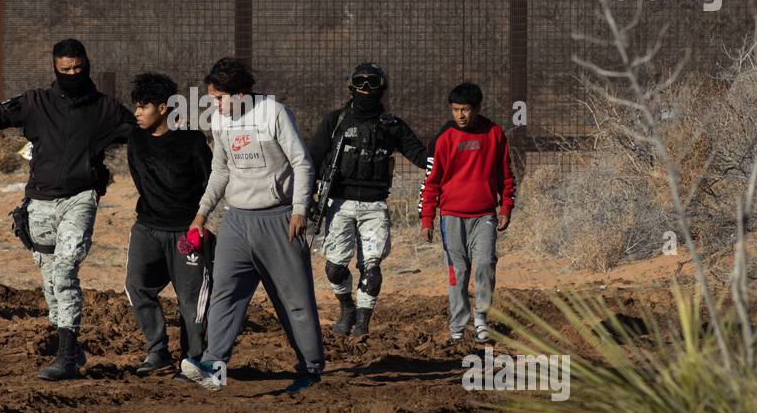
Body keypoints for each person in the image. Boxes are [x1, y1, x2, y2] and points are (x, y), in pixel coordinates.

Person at [0, 39, 133, 380]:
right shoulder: (36, 102)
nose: (73, 74)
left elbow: (145, 134)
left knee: (65, 272)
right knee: (50, 279)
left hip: (80, 198)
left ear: (87, 64)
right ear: (55, 68)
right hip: (39, 202)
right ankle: (71, 348)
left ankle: (64, 357)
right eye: (65, 70)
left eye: (78, 68)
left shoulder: (105, 108)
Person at [179, 57, 325, 395]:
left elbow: (302, 162)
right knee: (224, 294)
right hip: (236, 220)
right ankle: (214, 366)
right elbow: (221, 169)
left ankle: (310, 370)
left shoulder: (274, 113)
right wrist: (202, 214)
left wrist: (299, 210)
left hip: (279, 218)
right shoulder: (219, 119)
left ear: (241, 93)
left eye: (219, 97)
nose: (214, 105)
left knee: (295, 299)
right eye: (211, 98)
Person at [307, 62, 427, 339]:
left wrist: (451, 143)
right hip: (338, 203)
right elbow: (312, 160)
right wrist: (308, 198)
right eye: (360, 82)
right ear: (351, 87)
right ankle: (347, 307)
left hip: (375, 206)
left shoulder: (392, 126)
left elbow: (421, 157)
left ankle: (362, 323)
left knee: (371, 270)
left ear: (382, 88)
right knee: (335, 268)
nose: (365, 88)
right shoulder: (334, 121)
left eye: (372, 83)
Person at [123, 72, 214, 376]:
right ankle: (157, 351)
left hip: (186, 232)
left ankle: (194, 361)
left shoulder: (191, 140)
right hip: (147, 227)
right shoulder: (134, 138)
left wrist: (200, 222)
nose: (137, 113)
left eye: (143, 107)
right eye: (135, 106)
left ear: (163, 108)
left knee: (192, 301)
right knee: (136, 284)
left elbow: (211, 182)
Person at [419, 82, 516, 343]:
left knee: (485, 265)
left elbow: (506, 176)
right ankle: (458, 326)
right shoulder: (444, 139)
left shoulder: (495, 134)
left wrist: (506, 206)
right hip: (451, 216)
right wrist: (427, 218)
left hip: (485, 215)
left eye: (466, 109)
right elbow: (431, 181)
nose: (461, 115)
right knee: (458, 271)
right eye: (456, 109)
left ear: (478, 108)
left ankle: (482, 318)